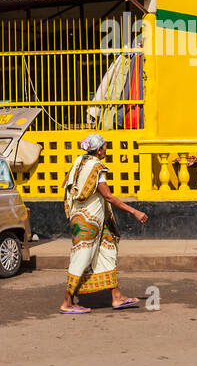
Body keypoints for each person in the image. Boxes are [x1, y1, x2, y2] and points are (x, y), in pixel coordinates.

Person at [59, 132, 147, 314]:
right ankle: (67, 302)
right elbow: (107, 195)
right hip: (89, 221)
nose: (106, 149)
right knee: (82, 258)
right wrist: (134, 211)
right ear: (99, 150)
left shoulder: (78, 162)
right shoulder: (96, 167)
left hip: (86, 218)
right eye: (105, 146)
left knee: (107, 250)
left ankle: (116, 297)